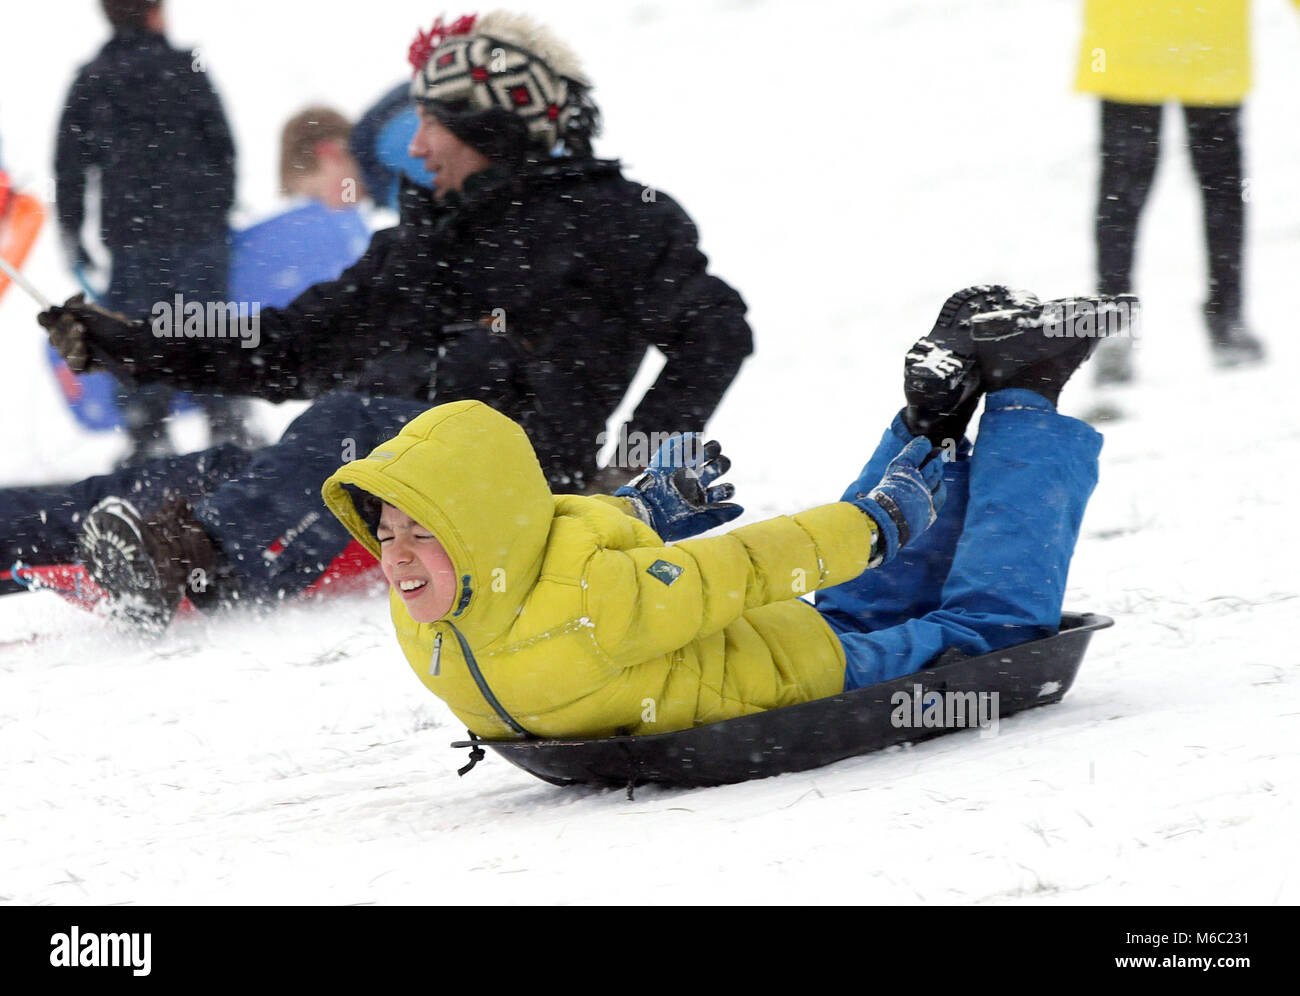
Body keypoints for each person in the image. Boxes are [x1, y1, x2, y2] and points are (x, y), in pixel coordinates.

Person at [20, 11, 752, 623]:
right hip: (358, 474)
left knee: (357, 424)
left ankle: (201, 554)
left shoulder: (615, 221)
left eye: (434, 123)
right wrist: (136, 341)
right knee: (181, 477)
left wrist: (634, 470)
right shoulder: (426, 246)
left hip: (504, 480)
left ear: (490, 126)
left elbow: (715, 331)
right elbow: (287, 344)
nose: (420, 145)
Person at [319, 287, 1109, 739]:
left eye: (424, 533)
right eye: (386, 534)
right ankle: (938, 420)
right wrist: (634, 516)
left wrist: (871, 525)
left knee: (987, 638)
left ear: (482, 534)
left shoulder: (582, 602)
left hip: (793, 669)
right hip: (766, 645)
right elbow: (560, 547)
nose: (397, 558)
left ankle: (1022, 394)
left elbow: (746, 566)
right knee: (868, 599)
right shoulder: (443, 605)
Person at [54, 0, 254, 460]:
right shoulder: (185, 70)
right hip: (197, 231)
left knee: (139, 336)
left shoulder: (93, 78)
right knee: (207, 328)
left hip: (133, 239)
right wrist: (218, 208)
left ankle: (148, 435)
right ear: (155, 13)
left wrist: (72, 230)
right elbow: (223, 146)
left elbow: (69, 165)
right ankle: (228, 427)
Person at [1075, 0, 1299, 383]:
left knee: (1122, 192)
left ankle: (1113, 322)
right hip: (1206, 42)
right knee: (1222, 188)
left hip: (1130, 41)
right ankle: (1227, 318)